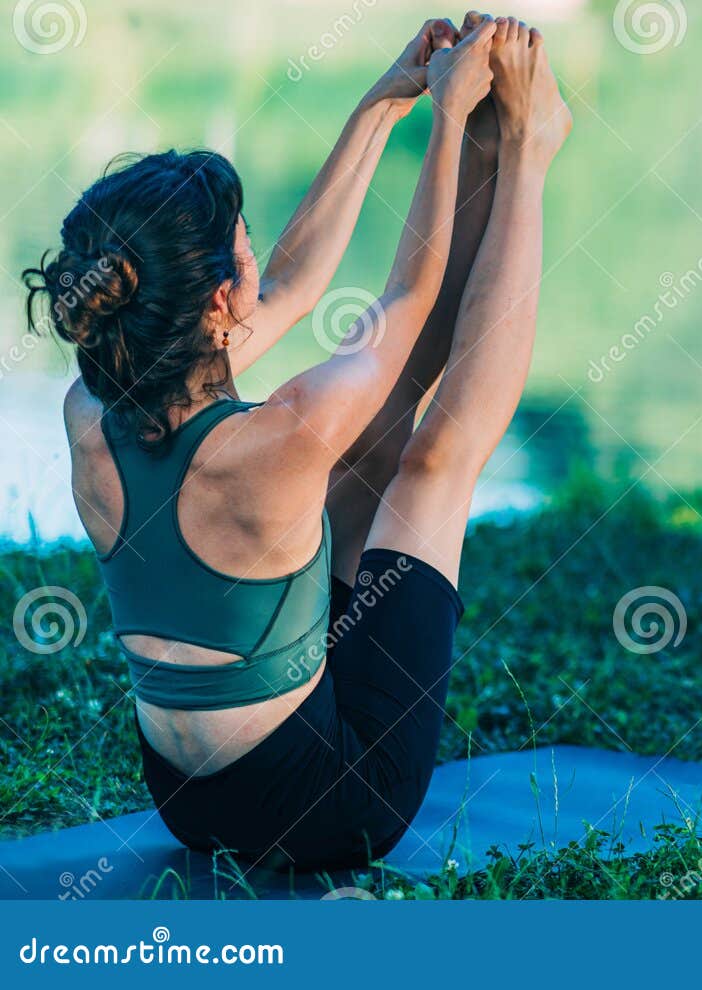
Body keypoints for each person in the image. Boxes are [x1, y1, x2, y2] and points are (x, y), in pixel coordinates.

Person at [23, 12, 571, 870]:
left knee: (373, 438)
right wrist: (457, 127)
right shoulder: (275, 440)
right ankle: (529, 154)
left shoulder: (90, 407)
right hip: (331, 805)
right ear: (215, 303)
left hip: (185, 797)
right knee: (435, 464)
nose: (257, 258)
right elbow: (409, 295)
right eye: (241, 246)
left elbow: (288, 283)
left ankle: (497, 159)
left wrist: (386, 101)